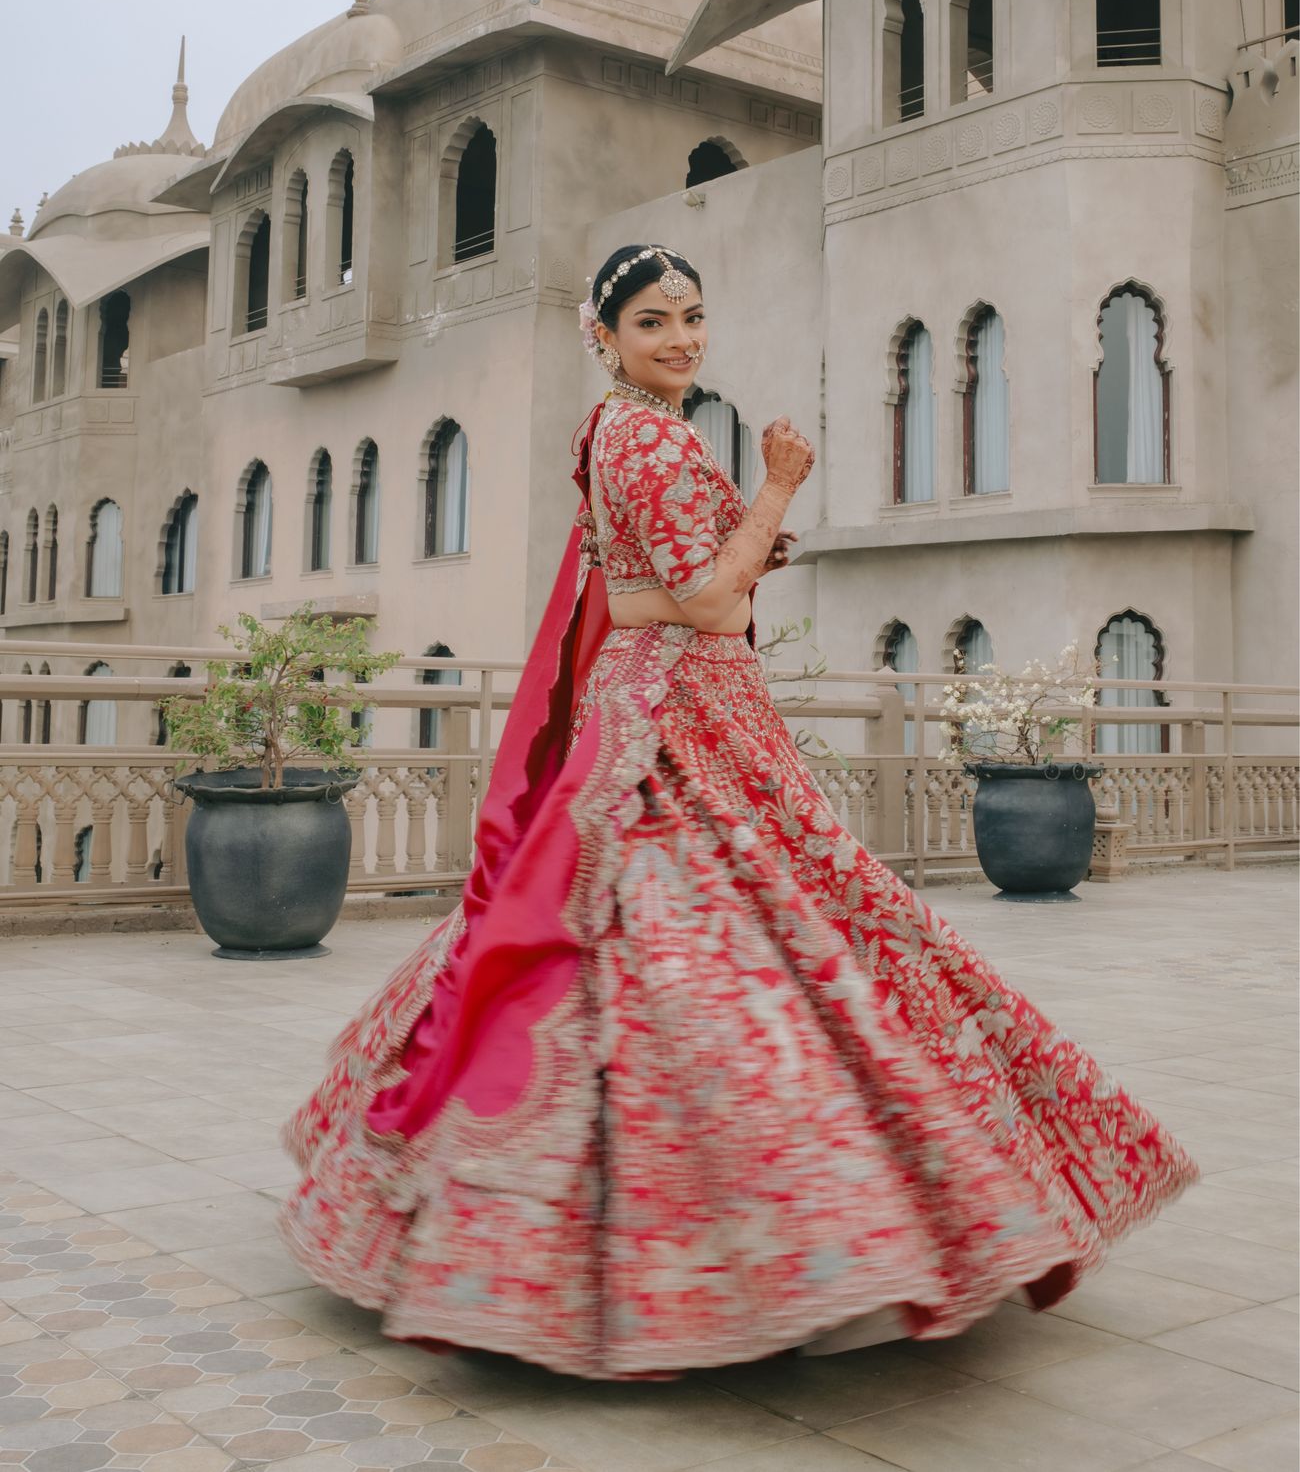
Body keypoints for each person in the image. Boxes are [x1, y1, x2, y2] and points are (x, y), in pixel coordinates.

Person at [281, 242, 1195, 1379]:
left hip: (650, 698)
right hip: (678, 720)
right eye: (654, 321)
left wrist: (694, 577)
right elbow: (712, 601)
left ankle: (594, 1247)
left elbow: (623, 588)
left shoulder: (606, 431)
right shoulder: (655, 438)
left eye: (692, 317)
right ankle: (782, 1238)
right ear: (603, 334)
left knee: (645, 930)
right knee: (736, 935)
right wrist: (774, 483)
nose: (680, 339)